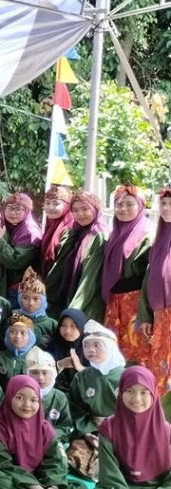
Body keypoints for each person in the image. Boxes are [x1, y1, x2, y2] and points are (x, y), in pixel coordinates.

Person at [0, 375, 67, 489]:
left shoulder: (45, 428)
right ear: (10, 396)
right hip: (10, 474)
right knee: (1, 481)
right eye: (20, 398)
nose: (27, 405)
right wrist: (34, 486)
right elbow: (3, 464)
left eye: (33, 400)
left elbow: (53, 461)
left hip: (38, 476)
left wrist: (53, 485)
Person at [99, 184, 152, 363]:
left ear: (140, 205)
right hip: (114, 302)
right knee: (113, 352)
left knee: (135, 351)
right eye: (119, 204)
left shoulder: (148, 234)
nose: (123, 209)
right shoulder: (115, 233)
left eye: (130, 204)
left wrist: (146, 313)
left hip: (135, 304)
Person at [95, 366, 171, 488]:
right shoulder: (108, 428)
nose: (136, 399)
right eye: (129, 391)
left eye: (144, 392)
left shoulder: (167, 432)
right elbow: (109, 474)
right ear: (121, 392)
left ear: (153, 394)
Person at [44, 190, 104, 320]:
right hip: (70, 298)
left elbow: (89, 279)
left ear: (95, 209)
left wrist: (73, 310)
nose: (80, 214)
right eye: (75, 210)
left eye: (85, 209)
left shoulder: (98, 235)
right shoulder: (78, 232)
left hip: (87, 304)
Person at [69, 321, 125, 446]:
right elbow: (75, 410)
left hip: (124, 432)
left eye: (96, 345)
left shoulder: (127, 377)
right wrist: (88, 432)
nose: (91, 350)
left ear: (110, 347)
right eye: (86, 345)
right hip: (93, 432)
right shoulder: (81, 378)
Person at [139, 185, 171, 391]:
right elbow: (150, 279)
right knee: (160, 373)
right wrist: (146, 315)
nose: (166, 208)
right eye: (163, 203)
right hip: (161, 318)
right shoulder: (160, 238)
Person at [0, 192, 42, 299]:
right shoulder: (6, 226)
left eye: (18, 209)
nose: (13, 213)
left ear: (26, 211)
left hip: (19, 288)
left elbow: (14, 261)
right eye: (9, 208)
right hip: (4, 282)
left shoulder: (30, 233)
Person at [25, 347, 72, 443]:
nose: (40, 378)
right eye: (34, 372)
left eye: (45, 373)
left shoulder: (59, 397)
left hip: (53, 442)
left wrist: (48, 435)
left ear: (53, 374)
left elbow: (65, 426)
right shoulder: (21, 394)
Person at [39, 185, 73, 277]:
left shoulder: (69, 229)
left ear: (67, 205)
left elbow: (61, 265)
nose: (50, 207)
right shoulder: (51, 225)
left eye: (56, 204)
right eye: (47, 203)